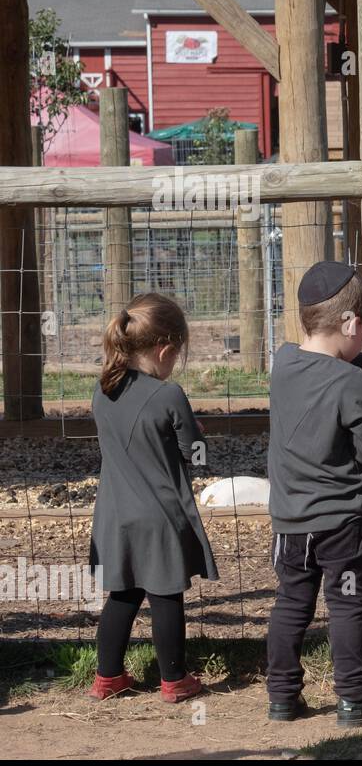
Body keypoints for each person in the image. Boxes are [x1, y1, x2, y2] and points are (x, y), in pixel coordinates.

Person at [265, 261, 362, 727]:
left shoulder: (282, 363)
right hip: (341, 520)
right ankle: (352, 700)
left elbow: (321, 369)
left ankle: (283, 697)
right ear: (348, 322)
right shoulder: (350, 384)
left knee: (292, 603)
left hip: (290, 519)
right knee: (347, 605)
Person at [88, 293, 217, 703]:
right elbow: (196, 456)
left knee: (122, 594)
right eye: (176, 354)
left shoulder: (102, 388)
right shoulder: (169, 395)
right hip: (160, 514)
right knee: (165, 595)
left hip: (115, 513)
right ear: (164, 349)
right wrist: (195, 432)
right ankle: (174, 681)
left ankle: (107, 678)